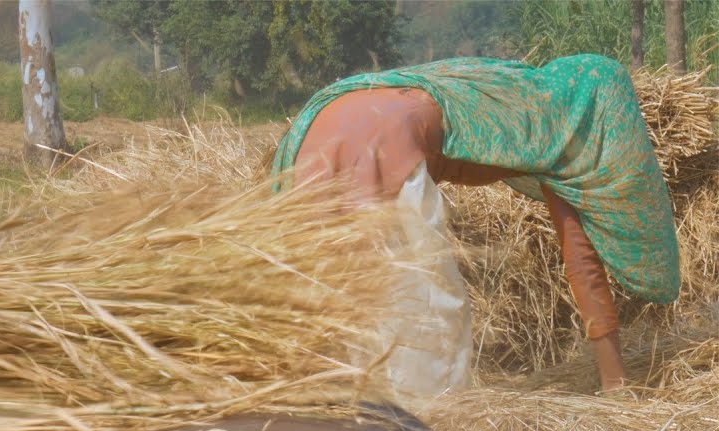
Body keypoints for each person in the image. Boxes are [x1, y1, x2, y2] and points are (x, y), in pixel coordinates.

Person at [271, 54, 680, 399]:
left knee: (337, 286)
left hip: (325, 123)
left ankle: (320, 405)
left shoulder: (506, 85)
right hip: (382, 139)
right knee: (428, 312)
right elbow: (582, 261)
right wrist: (616, 384)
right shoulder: (560, 126)